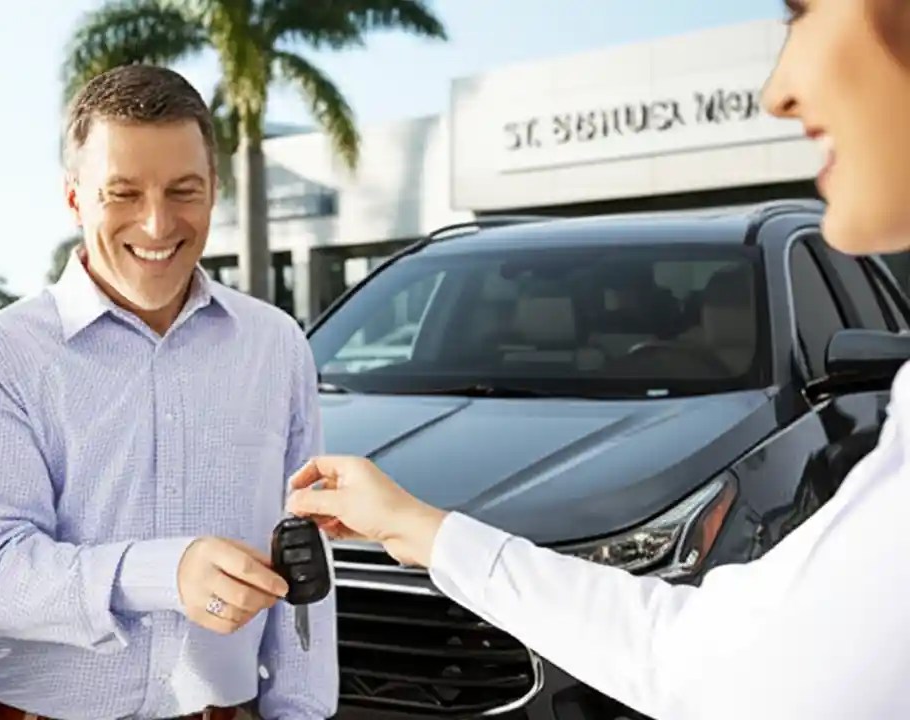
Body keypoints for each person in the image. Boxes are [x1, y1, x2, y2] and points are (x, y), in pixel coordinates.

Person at [286, 6, 910, 718]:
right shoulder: (294, 414)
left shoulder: (767, 432)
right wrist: (411, 525)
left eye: (801, 12)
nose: (777, 92)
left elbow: (704, 665)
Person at [0, 64, 338, 720]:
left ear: (214, 191)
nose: (156, 225)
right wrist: (164, 573)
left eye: (185, 190)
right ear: (73, 199)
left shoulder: (277, 347)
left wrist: (303, 713)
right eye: (122, 193)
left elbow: (305, 556)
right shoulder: (1, 356)